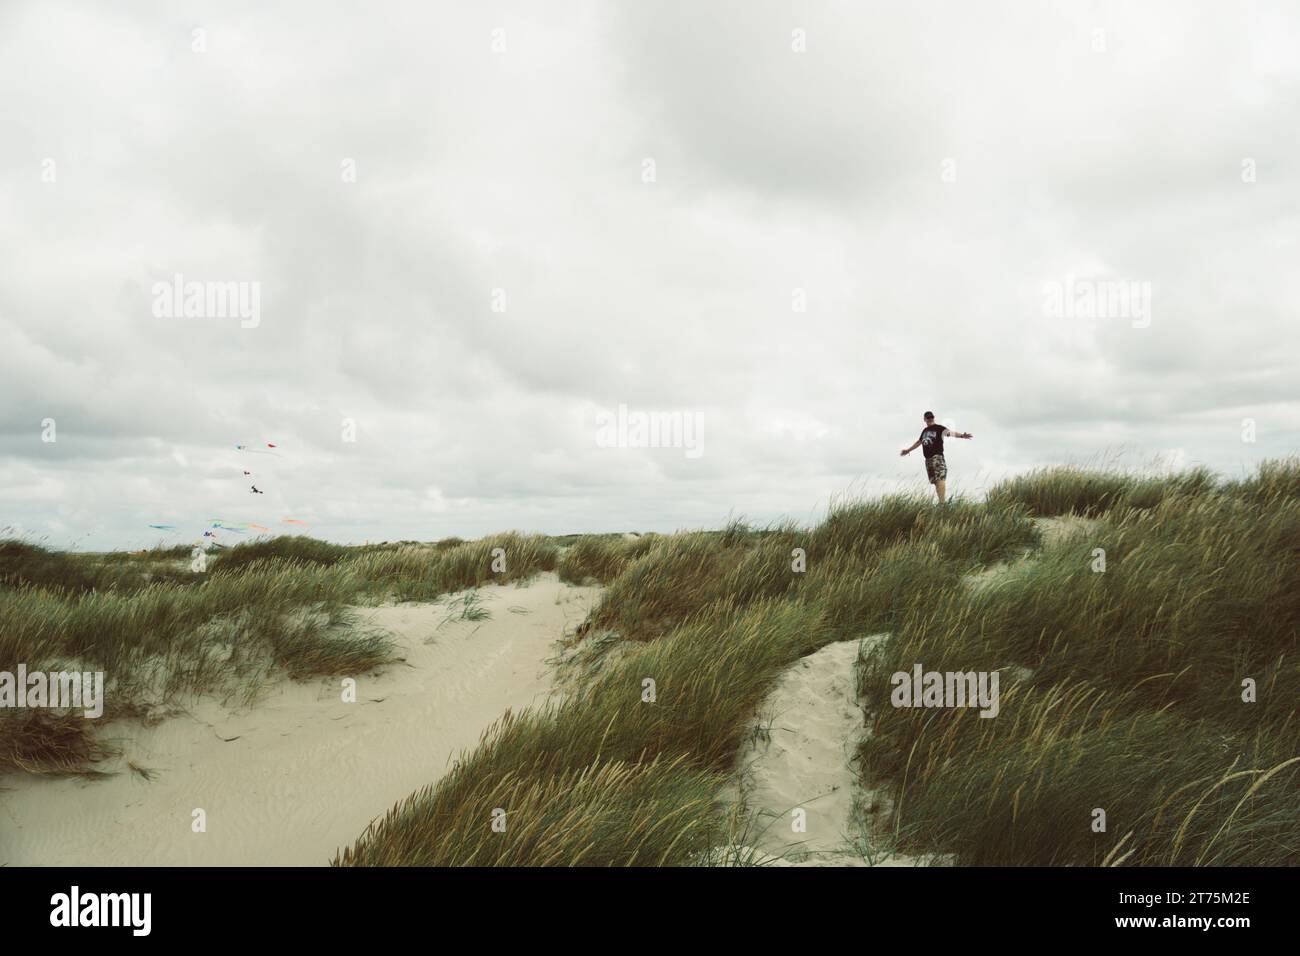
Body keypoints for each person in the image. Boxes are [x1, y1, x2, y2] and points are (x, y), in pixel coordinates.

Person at [900, 411, 972, 503]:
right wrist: (908, 450)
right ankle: (941, 502)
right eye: (928, 418)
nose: (930, 419)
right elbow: (919, 442)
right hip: (928, 459)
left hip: (937, 457)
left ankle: (942, 503)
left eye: (931, 418)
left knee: (940, 478)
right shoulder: (925, 431)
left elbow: (949, 433)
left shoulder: (939, 428)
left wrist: (962, 435)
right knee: (934, 481)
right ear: (925, 419)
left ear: (933, 418)